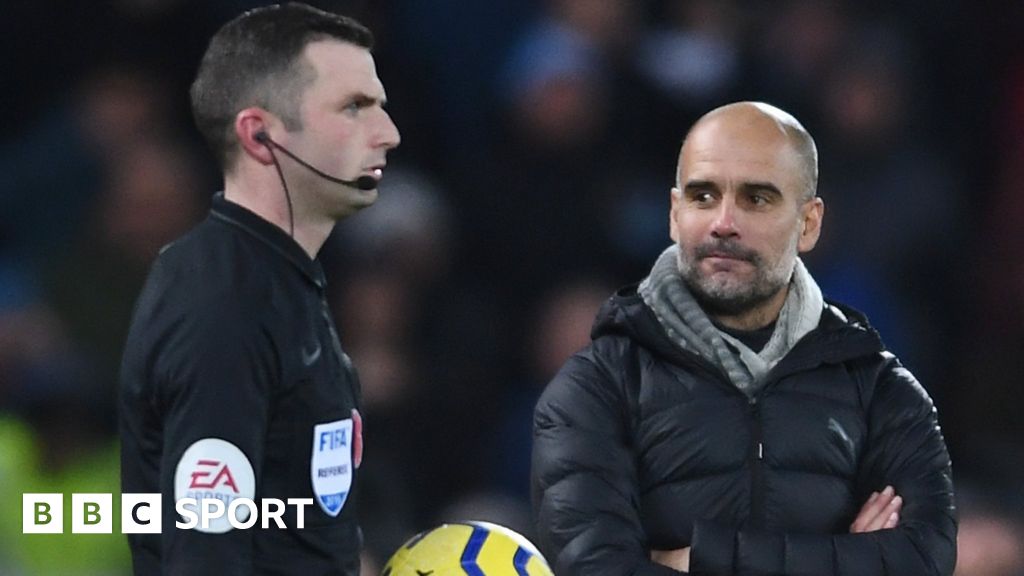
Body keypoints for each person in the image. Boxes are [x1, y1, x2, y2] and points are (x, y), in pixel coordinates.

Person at [530, 101, 956, 575]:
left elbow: (921, 561)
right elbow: (596, 570)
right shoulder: (598, 386)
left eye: (756, 199)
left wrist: (700, 559)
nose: (724, 223)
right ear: (674, 214)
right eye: (703, 196)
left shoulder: (880, 390)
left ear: (809, 223)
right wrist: (843, 558)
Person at [119, 3, 400, 574]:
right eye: (353, 107)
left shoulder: (281, 280)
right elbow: (206, 551)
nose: (388, 134)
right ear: (259, 134)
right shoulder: (222, 304)